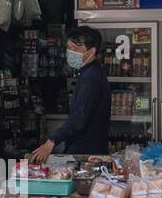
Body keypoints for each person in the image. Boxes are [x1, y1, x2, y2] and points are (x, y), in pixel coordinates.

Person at [29, 25, 112, 163]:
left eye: (75, 48)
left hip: (85, 153)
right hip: (89, 149)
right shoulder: (92, 72)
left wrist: (52, 141)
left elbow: (79, 118)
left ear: (91, 51)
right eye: (68, 47)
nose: (70, 52)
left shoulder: (90, 77)